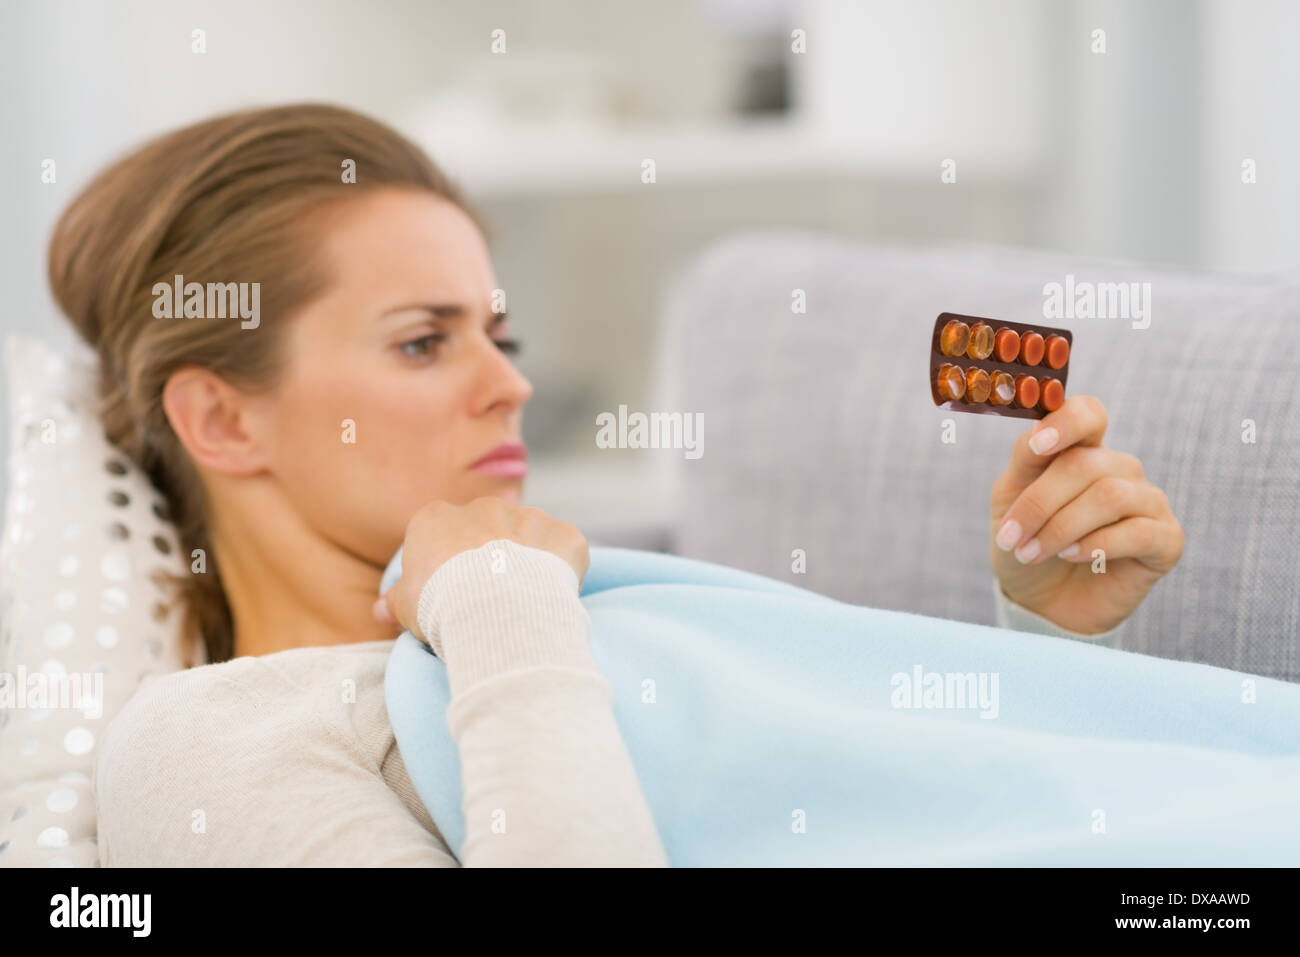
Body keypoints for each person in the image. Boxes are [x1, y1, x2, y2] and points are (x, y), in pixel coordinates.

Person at [49, 104, 1182, 866]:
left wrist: (1052, 644)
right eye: (420, 344)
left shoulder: (571, 595)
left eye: (503, 335)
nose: (510, 387)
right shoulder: (206, 746)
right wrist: (498, 603)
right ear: (220, 418)